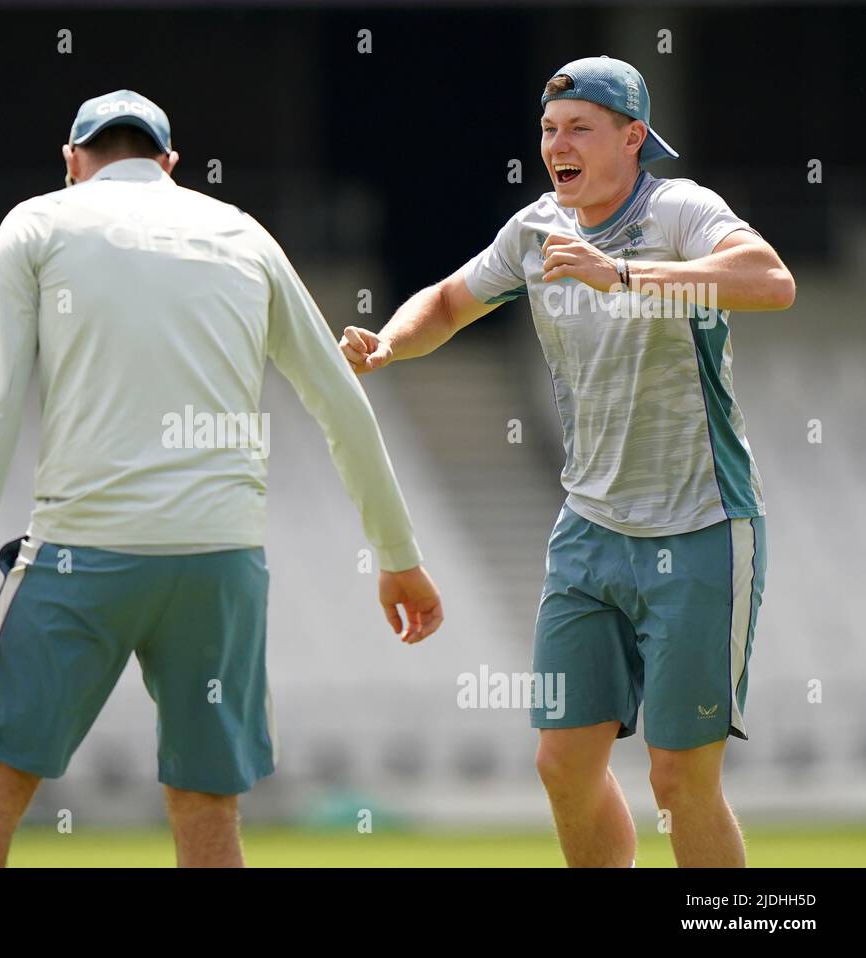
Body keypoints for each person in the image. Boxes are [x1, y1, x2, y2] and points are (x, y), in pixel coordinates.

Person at [0, 90, 444, 867]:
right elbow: (340, 400)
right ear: (169, 163)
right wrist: (399, 557)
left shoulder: (35, 224)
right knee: (209, 816)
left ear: (72, 160)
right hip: (219, 561)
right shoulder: (242, 232)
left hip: (82, 552)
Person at [340, 57, 796, 867]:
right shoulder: (534, 229)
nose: (559, 143)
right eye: (549, 129)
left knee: (678, 778)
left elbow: (770, 281)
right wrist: (390, 345)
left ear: (632, 139)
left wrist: (622, 275)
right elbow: (448, 301)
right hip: (588, 532)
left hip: (701, 525)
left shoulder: (681, 208)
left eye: (580, 127)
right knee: (560, 763)